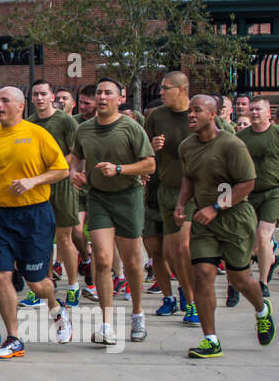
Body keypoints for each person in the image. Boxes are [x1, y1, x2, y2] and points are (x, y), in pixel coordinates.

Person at [174, 94, 276, 359]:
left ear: (213, 114)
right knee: (202, 275)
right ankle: (211, 340)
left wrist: (216, 207)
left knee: (239, 279)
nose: (191, 116)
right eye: (189, 112)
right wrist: (182, 203)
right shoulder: (186, 146)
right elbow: (188, 176)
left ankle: (262, 309)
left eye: (197, 111)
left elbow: (247, 184)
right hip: (204, 220)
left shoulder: (231, 144)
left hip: (234, 218)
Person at [0, 86, 72, 358]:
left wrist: (33, 181)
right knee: (0, 275)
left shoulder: (37, 134)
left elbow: (62, 170)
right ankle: (14, 338)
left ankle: (56, 306)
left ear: (20, 106)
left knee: (36, 282)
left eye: (4, 101)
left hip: (34, 215)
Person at [70, 78, 156, 343]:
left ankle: (138, 313)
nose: (102, 97)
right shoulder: (83, 129)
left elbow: (150, 165)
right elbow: (76, 157)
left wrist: (120, 169)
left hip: (128, 197)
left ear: (120, 98)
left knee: (131, 261)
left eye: (108, 93)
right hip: (98, 198)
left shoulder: (130, 127)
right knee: (103, 259)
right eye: (99, 93)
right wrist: (75, 172)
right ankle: (106, 323)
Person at [232, 96, 279, 302]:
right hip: (249, 192)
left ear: (268, 113)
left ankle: (263, 283)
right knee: (246, 238)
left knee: (263, 235)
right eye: (251, 109)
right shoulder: (242, 137)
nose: (254, 113)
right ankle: (251, 271)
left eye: (258, 110)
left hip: (275, 191)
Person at [144, 71, 199, 324]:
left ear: (182, 89)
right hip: (159, 189)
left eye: (166, 88)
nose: (161, 92)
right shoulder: (156, 116)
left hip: (188, 191)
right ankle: (169, 297)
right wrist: (151, 148)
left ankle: (192, 301)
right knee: (156, 250)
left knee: (179, 249)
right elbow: (143, 152)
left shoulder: (196, 115)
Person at [27, 80, 83, 306]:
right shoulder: (28, 123)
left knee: (63, 237)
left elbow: (76, 154)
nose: (39, 98)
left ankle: (73, 286)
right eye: (35, 94)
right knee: (40, 238)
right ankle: (43, 285)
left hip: (60, 184)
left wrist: (53, 168)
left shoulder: (65, 121)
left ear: (52, 97)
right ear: (31, 99)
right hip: (38, 186)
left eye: (43, 94)